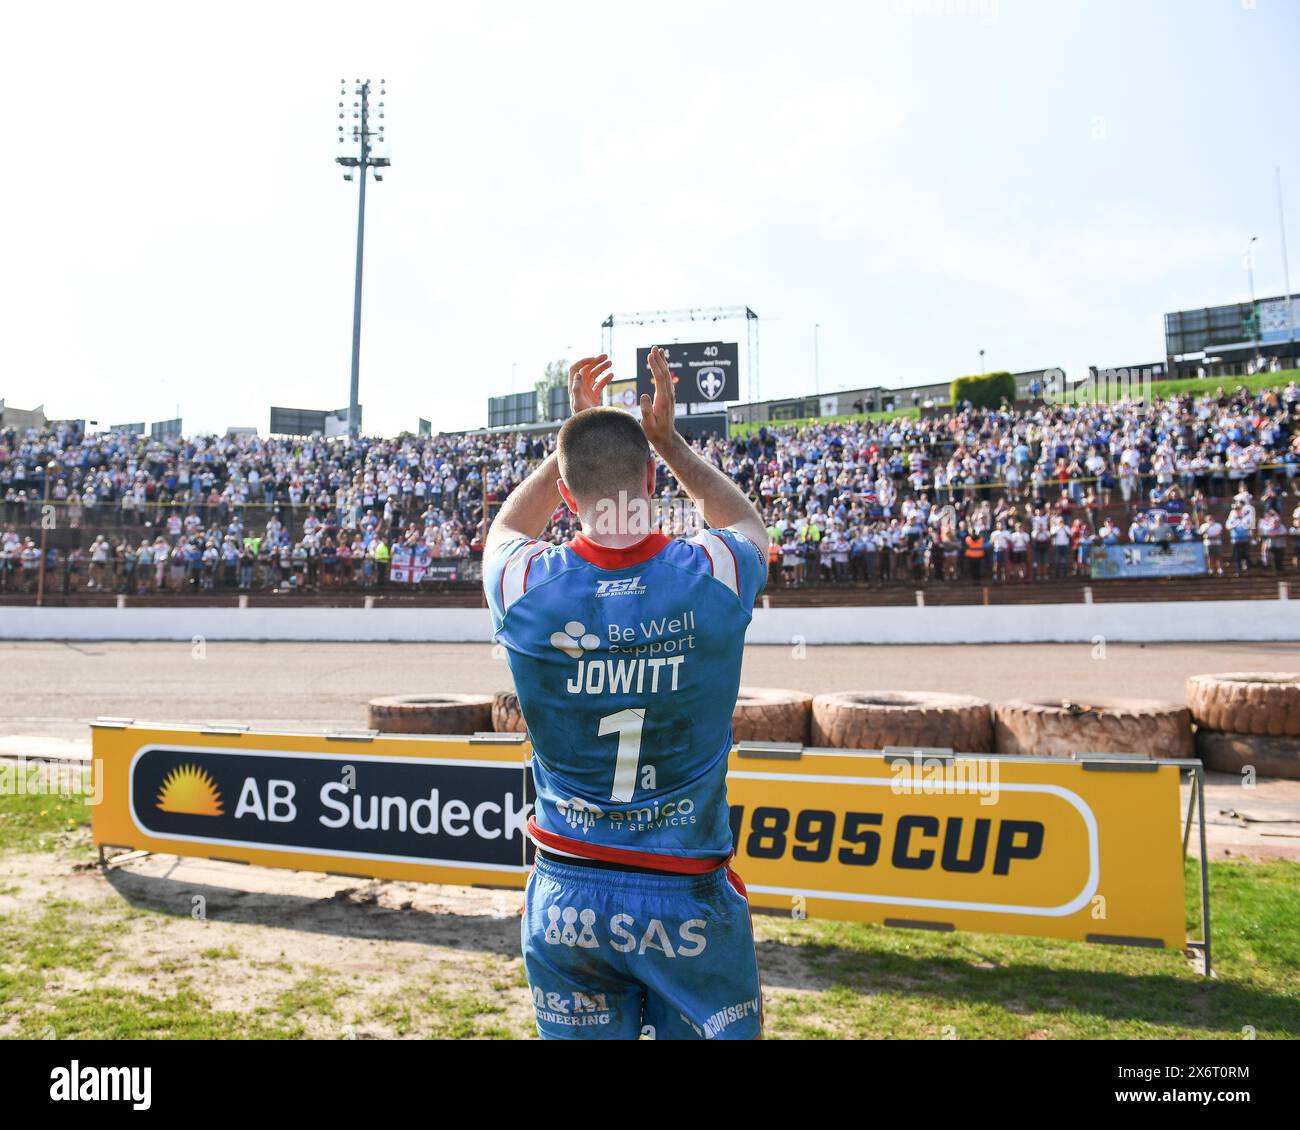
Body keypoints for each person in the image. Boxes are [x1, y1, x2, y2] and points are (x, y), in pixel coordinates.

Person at [483, 349, 765, 1041]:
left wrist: (569, 440)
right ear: (649, 479)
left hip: (568, 887)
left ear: (571, 500)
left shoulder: (525, 588)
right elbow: (745, 521)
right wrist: (667, 439)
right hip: (686, 888)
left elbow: (505, 531)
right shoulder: (715, 572)